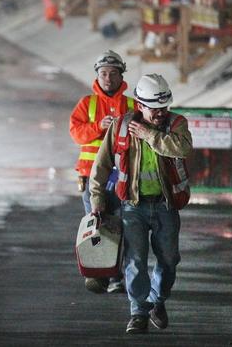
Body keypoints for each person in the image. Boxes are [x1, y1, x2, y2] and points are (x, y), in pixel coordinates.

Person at [89, 74, 192, 334]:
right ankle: (138, 312)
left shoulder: (176, 124)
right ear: (140, 105)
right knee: (135, 260)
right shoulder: (121, 127)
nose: (160, 113)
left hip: (165, 205)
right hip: (133, 205)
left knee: (169, 259)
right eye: (154, 108)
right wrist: (98, 198)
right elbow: (101, 165)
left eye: (164, 107)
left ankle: (158, 300)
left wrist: (149, 135)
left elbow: (183, 149)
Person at [68, 50, 136, 294]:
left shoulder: (131, 105)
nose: (108, 78)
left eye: (113, 73)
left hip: (123, 178)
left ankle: (117, 277)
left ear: (121, 75)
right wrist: (98, 126)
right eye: (104, 73)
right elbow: (76, 134)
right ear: (97, 75)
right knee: (97, 227)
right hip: (92, 179)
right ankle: (98, 274)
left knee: (122, 226)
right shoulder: (87, 104)